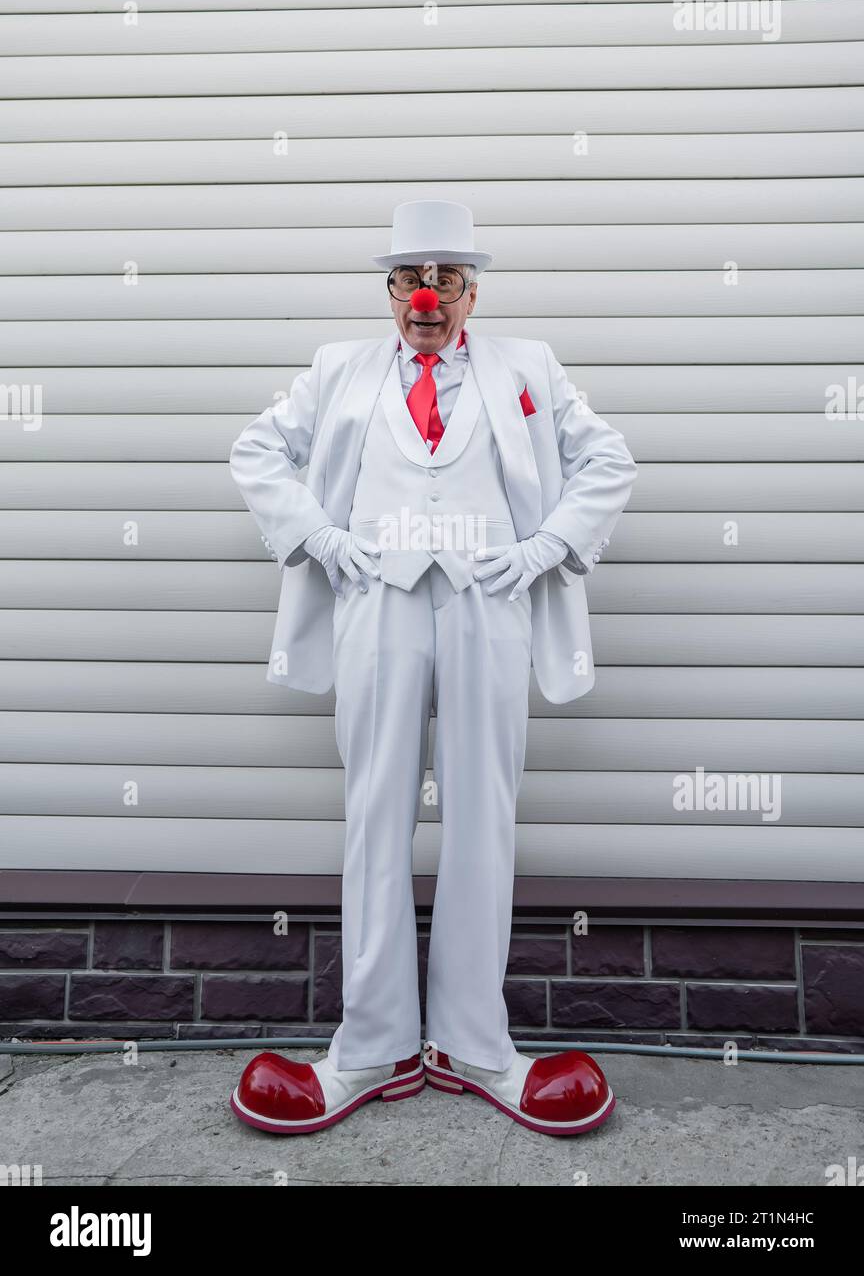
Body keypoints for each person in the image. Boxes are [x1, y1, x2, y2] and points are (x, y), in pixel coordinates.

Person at [227, 201, 638, 1136]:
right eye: (410, 279)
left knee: (484, 809)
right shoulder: (338, 369)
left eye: (445, 278)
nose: (426, 296)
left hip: (488, 600)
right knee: (374, 807)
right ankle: (372, 1045)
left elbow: (605, 460)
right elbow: (258, 452)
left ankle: (472, 1043)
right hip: (378, 597)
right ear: (388, 292)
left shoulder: (526, 364)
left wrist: (541, 552)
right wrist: (324, 541)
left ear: (470, 291)